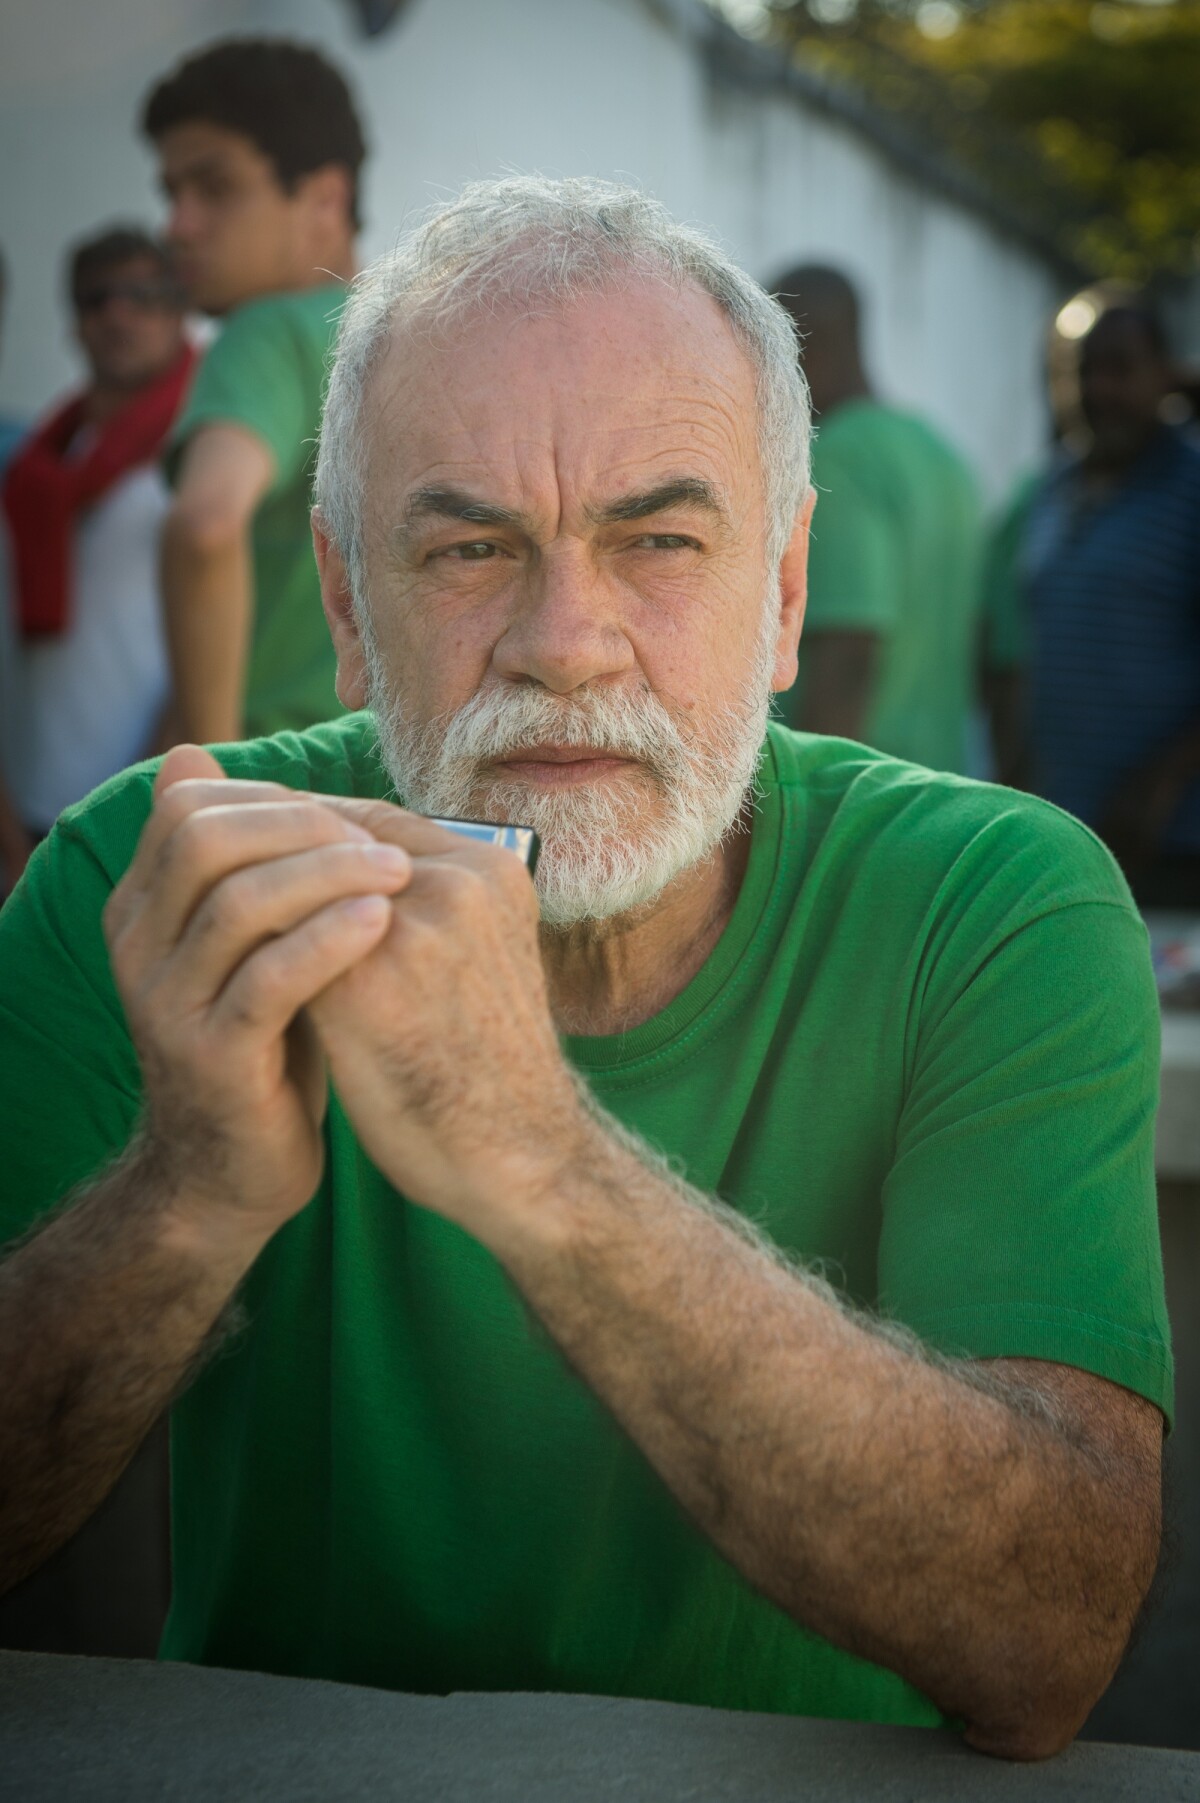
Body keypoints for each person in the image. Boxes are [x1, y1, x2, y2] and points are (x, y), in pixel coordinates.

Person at [0, 179, 1169, 1762]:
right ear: (347, 601)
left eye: (660, 540)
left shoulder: (995, 904)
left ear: (786, 592)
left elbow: (1049, 1638)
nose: (566, 639)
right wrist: (186, 1191)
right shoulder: (162, 876)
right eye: (469, 546)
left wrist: (543, 1157)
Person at [142, 37, 365, 746]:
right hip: (387, 766)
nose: (177, 227)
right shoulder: (414, 339)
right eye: (172, 194)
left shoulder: (266, 333)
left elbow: (205, 526)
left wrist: (212, 768)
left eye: (215, 188)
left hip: (273, 768)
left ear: (325, 198)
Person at [983, 300, 1200, 906]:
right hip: (1068, 839)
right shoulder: (1054, 486)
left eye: (1120, 368)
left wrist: (1159, 785)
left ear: (1164, 375)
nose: (1099, 389)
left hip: (1170, 846)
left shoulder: (1192, 490)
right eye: (1084, 371)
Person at [0, 225, 192, 873]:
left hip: (133, 811)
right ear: (75, 324)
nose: (117, 313)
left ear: (179, 311)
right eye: (96, 298)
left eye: (142, 295)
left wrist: (139, 806)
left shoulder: (202, 452)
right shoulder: (38, 461)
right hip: (24, 806)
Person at [769, 264, 982, 774]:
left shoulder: (837, 458)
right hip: (941, 786)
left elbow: (846, 653)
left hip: (864, 794)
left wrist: (815, 801)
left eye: (768, 355)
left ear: (801, 349)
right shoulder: (941, 454)